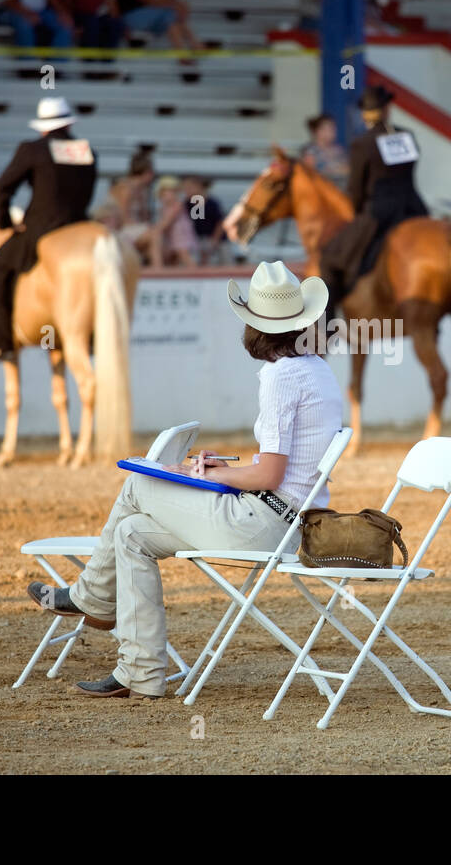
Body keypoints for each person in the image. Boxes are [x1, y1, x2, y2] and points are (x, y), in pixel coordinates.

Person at [24, 259, 342, 698]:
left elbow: (270, 473)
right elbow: (283, 469)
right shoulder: (316, 369)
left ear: (254, 326)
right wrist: (222, 471)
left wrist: (215, 474)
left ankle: (92, 599)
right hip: (289, 521)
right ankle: (141, 672)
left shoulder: (279, 376)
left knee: (139, 483)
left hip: (260, 524)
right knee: (133, 534)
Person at [0, 97, 97, 363]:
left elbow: (3, 188)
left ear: (42, 127)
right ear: (68, 124)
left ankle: (1, 345)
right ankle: (92, 336)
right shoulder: (85, 150)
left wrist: (5, 223)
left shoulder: (33, 149)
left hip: (42, 228)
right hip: (79, 226)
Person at [320, 86, 428, 320]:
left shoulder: (363, 144)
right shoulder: (407, 137)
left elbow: (356, 189)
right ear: (387, 110)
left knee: (328, 258)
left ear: (364, 115)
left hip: (379, 215)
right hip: (414, 211)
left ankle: (324, 330)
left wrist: (357, 211)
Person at [94, 147, 160, 265]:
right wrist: (145, 226)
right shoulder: (126, 188)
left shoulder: (140, 190)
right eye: (151, 172)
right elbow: (124, 219)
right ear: (145, 172)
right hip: (115, 229)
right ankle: (158, 269)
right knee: (155, 234)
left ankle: (154, 267)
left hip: (124, 228)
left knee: (156, 234)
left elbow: (141, 217)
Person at [148, 175, 198, 267]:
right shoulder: (163, 208)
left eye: (173, 192)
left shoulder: (177, 205)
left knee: (184, 255)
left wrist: (156, 229)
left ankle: (195, 273)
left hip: (182, 236)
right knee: (173, 259)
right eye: (163, 194)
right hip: (173, 237)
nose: (166, 197)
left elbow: (167, 222)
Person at [298, 114, 350, 192]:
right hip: (322, 194)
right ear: (317, 131)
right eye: (328, 128)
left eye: (333, 128)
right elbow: (309, 174)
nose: (333, 131)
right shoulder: (310, 151)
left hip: (342, 193)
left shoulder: (339, 150)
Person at [181, 174, 225, 264]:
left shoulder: (212, 203)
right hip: (198, 240)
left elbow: (220, 223)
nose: (186, 191)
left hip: (216, 239)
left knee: (222, 259)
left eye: (189, 188)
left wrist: (214, 240)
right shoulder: (187, 203)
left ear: (199, 187)